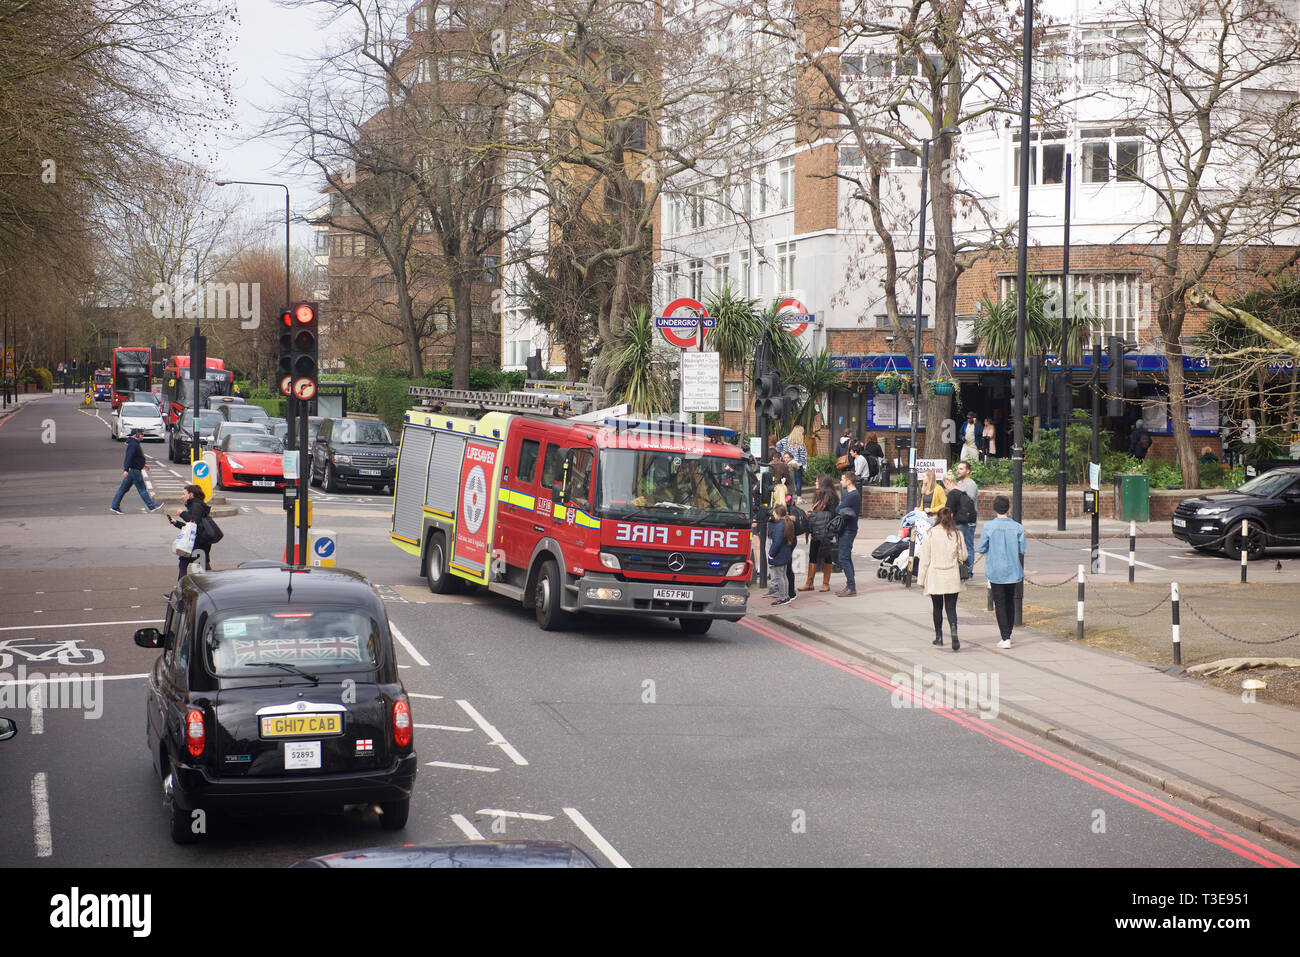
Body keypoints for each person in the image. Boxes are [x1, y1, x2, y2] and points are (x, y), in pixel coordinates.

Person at [977, 495, 1026, 649]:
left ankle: (1005, 636)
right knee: (1010, 601)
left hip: (996, 569)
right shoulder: (1017, 527)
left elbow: (981, 547)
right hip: (1013, 569)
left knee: (1000, 603)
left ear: (994, 508)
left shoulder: (988, 527)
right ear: (1008, 508)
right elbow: (1022, 549)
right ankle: (1008, 633)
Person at [917, 506, 967, 651]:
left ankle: (938, 637)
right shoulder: (957, 534)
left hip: (935, 575)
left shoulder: (930, 533)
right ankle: (953, 631)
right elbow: (963, 556)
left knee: (937, 607)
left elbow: (925, 559)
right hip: (952, 575)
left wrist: (921, 579)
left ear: (938, 518)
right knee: (951, 608)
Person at [110, 427, 165, 515]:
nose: (143, 435)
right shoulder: (133, 445)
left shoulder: (134, 443)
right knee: (142, 489)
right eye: (141, 434)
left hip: (133, 470)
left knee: (123, 489)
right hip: (134, 471)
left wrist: (143, 464)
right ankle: (152, 506)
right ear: (136, 435)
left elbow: (135, 458)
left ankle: (114, 506)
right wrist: (125, 469)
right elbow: (129, 457)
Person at [800, 474, 840, 592]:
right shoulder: (818, 495)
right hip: (816, 529)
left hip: (826, 530)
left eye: (817, 481)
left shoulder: (832, 497)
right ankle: (809, 583)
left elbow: (832, 514)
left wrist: (814, 515)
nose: (815, 483)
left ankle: (825, 583)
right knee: (812, 554)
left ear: (823, 483)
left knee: (827, 555)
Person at [167, 484, 214, 579]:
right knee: (203, 566)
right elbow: (191, 527)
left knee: (184, 565)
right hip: (199, 541)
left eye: (184, 494)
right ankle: (214, 586)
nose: (182, 496)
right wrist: (176, 523)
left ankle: (181, 590)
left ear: (191, 495)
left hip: (197, 542)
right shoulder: (196, 505)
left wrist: (182, 513)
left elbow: (193, 522)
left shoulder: (196, 505)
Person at [941, 475, 977, 578]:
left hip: (956, 524)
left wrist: (945, 523)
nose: (945, 488)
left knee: (955, 548)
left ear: (947, 482)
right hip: (965, 524)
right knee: (967, 547)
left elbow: (949, 512)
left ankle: (958, 572)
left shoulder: (952, 494)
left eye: (945, 485)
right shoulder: (962, 492)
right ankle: (968, 572)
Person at [836, 470, 860, 596]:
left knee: (843, 558)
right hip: (847, 529)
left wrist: (839, 507)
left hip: (848, 529)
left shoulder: (852, 496)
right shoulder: (850, 494)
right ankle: (849, 585)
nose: (841, 482)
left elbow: (838, 509)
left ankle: (852, 587)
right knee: (846, 557)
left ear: (849, 481)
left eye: (842, 479)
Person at [953, 460, 979, 577]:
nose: (958, 471)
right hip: (959, 519)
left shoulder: (971, 484)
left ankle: (969, 571)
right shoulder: (958, 483)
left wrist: (958, 491)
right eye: (958, 468)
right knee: (959, 545)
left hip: (969, 520)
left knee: (968, 545)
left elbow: (969, 500)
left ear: (967, 471)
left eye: (961, 469)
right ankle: (961, 570)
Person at [767, 503, 795, 606]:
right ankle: (786, 596)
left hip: (779, 554)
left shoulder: (779, 526)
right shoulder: (788, 523)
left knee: (779, 577)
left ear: (778, 514)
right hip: (786, 553)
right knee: (783, 576)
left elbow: (777, 542)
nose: (773, 515)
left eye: (774, 513)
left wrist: (771, 554)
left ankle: (783, 598)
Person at [775, 426, 807, 497]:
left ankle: (788, 496)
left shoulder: (786, 439)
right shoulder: (800, 441)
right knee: (798, 481)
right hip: (797, 464)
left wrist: (782, 453)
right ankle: (799, 497)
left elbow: (777, 444)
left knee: (788, 480)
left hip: (787, 463)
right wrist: (804, 465)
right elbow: (802, 455)